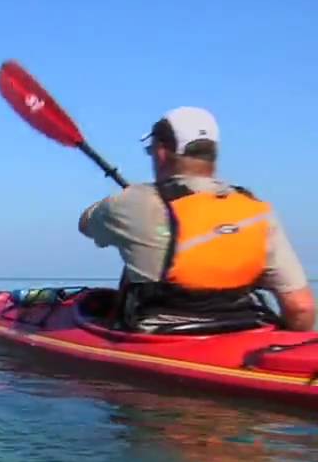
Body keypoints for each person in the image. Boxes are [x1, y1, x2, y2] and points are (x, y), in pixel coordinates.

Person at [78, 106, 314, 332]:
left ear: (161, 152)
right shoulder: (256, 210)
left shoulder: (133, 202)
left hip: (158, 339)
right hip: (248, 332)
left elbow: (85, 224)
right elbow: (301, 309)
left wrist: (129, 202)